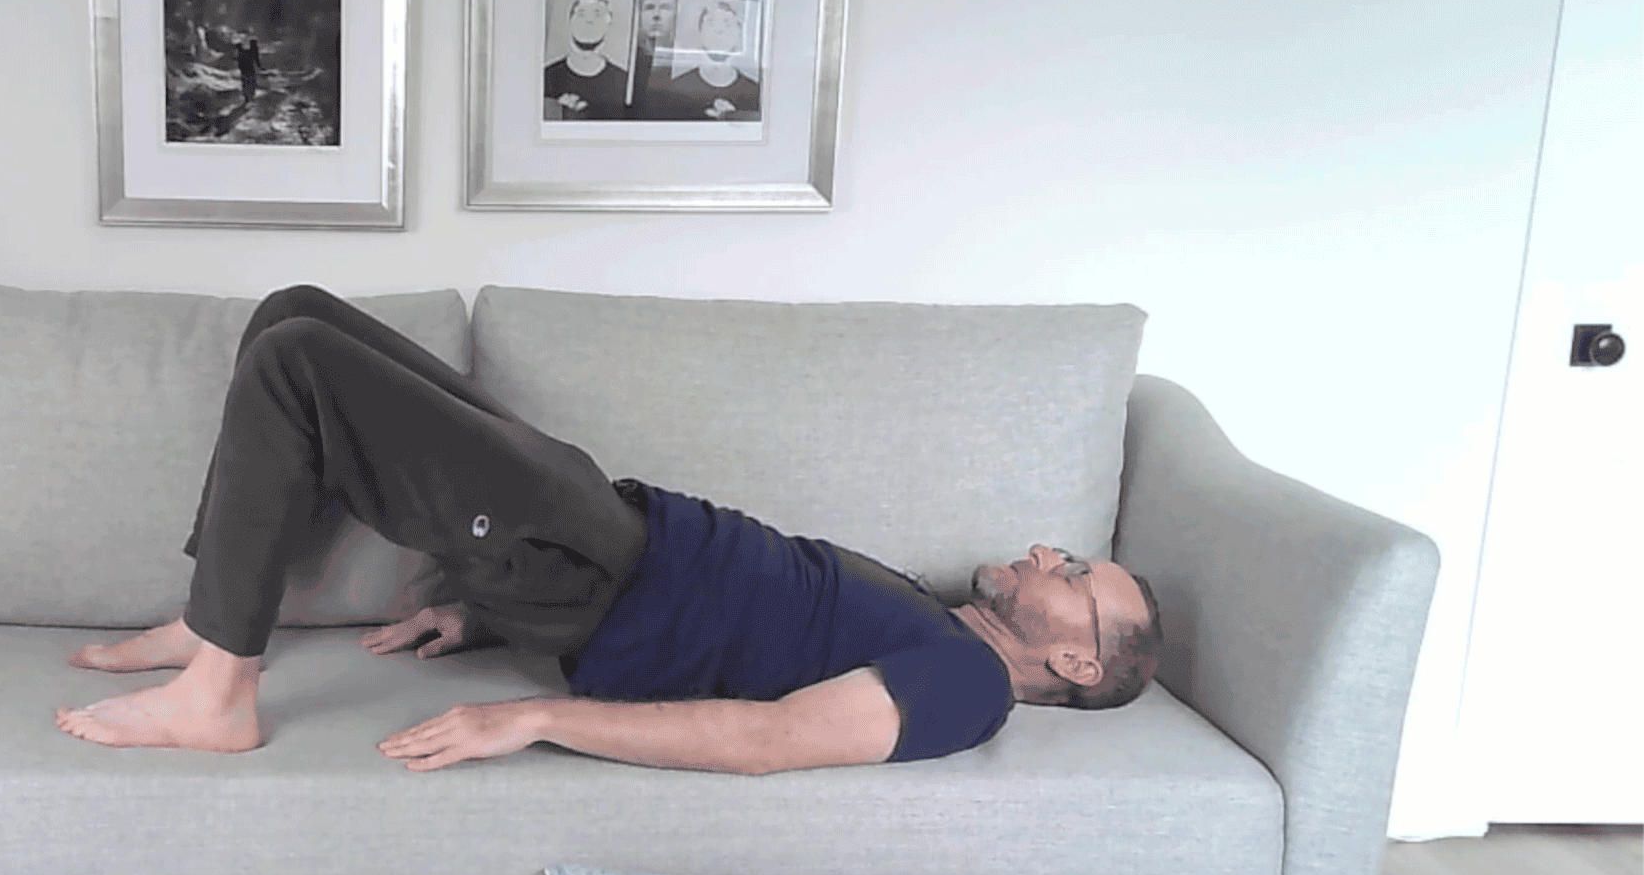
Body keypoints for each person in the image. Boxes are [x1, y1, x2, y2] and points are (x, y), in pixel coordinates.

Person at [57, 286, 1163, 773]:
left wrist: (536, 713)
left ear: (1074, 657)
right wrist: (480, 612)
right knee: (294, 313)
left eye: (1076, 577)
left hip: (600, 568)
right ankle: (215, 615)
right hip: (599, 529)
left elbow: (768, 740)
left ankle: (218, 692)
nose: (1049, 554)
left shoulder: (968, 687)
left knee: (296, 365)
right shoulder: (934, 614)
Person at [656, 0, 761, 121]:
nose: (719, 30)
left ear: (739, 34)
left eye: (727, 24)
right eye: (711, 23)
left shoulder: (755, 93)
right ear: (700, 32)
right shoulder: (676, 90)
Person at [542, 0, 630, 120]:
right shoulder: (547, 77)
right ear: (570, 21)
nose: (589, 21)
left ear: (609, 24)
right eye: (581, 14)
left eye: (597, 14)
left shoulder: (624, 81)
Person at [627, 0, 680, 117]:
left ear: (676, 16)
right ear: (639, 15)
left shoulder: (681, 62)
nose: (657, 15)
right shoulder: (628, 60)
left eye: (665, 8)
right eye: (649, 8)